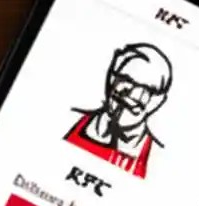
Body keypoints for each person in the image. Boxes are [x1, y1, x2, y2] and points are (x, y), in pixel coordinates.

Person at [64, 43, 172, 178]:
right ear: (111, 78)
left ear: (158, 101)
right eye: (126, 80)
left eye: (147, 90)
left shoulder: (159, 158)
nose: (133, 94)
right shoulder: (67, 118)